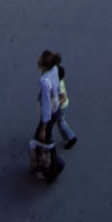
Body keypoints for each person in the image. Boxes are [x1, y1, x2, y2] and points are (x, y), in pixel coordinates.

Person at [30, 50, 65, 182]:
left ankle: (52, 170)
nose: (38, 62)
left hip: (50, 112)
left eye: (40, 61)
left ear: (44, 65)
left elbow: (46, 107)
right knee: (45, 141)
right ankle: (53, 165)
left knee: (43, 140)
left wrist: (43, 128)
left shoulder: (45, 82)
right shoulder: (54, 69)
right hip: (56, 107)